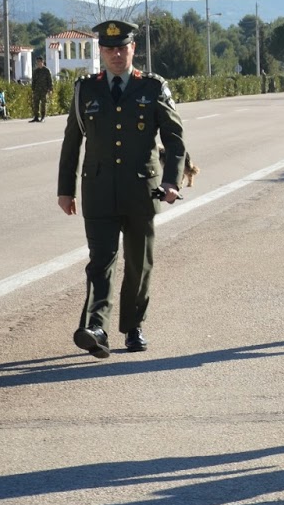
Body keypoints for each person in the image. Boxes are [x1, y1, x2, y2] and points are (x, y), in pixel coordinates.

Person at [56, 19, 186, 358]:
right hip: (98, 189)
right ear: (101, 51)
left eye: (122, 48)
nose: (116, 54)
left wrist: (171, 181)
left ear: (133, 49)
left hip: (142, 189)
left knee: (139, 263)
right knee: (100, 262)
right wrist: (65, 189)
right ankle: (96, 328)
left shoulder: (153, 87)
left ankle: (133, 326)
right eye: (109, 49)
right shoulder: (85, 89)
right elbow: (72, 142)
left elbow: (174, 139)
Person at [31, 57, 55, 122]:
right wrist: (33, 89)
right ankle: (36, 117)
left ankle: (43, 117)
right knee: (36, 103)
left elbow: (50, 80)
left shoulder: (46, 71)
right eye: (37, 62)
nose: (38, 63)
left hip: (44, 90)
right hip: (36, 90)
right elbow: (33, 81)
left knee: (43, 104)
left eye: (39, 61)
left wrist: (50, 89)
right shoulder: (36, 71)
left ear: (42, 62)